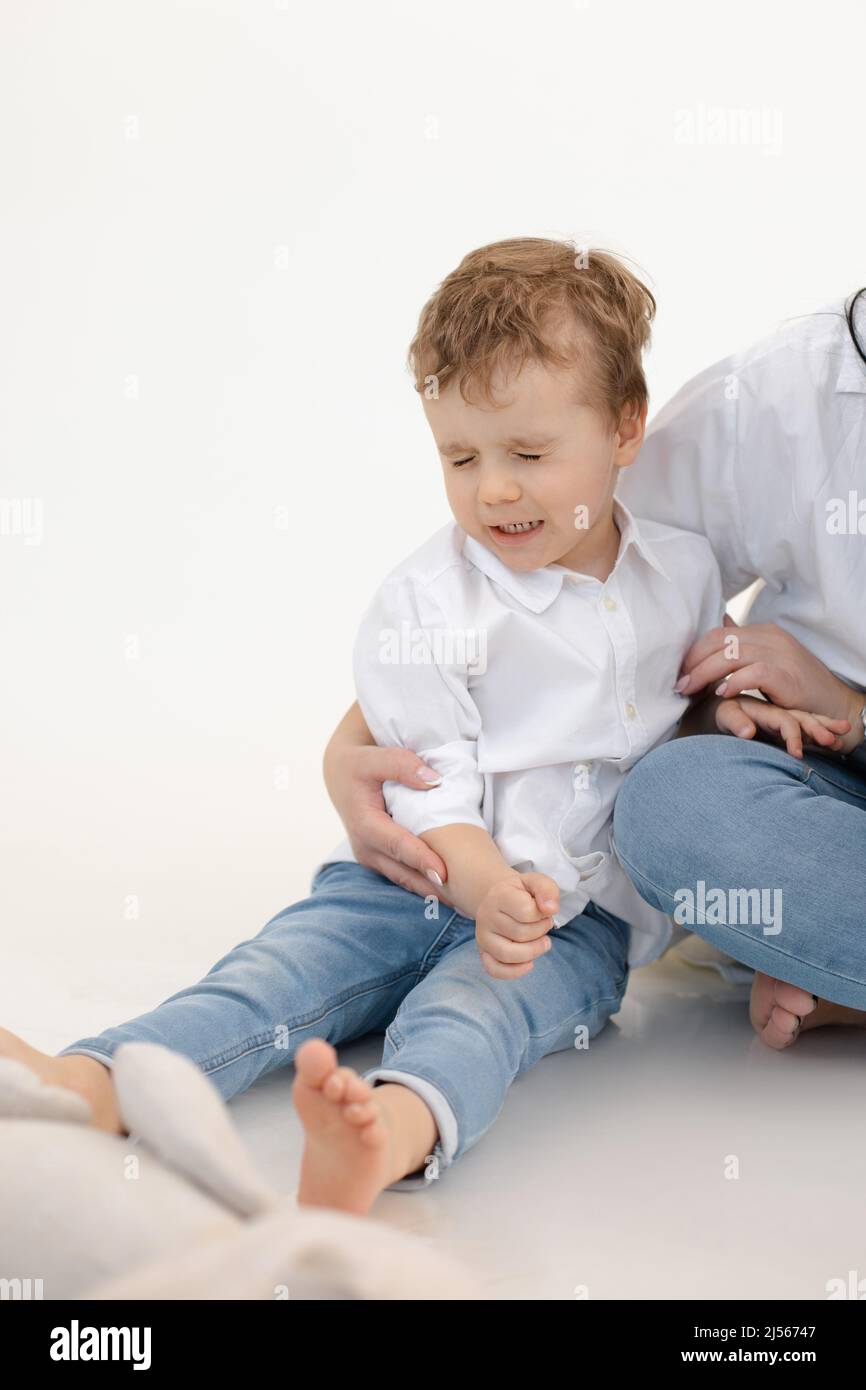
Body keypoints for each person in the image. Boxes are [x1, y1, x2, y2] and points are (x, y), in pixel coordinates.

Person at [0, 241, 851, 1215]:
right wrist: (487, 891)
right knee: (277, 975)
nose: (492, 489)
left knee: (474, 1019)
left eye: (527, 456)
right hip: (403, 878)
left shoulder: (683, 572)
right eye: (459, 456)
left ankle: (386, 1134)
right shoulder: (427, 602)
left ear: (625, 430)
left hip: (573, 927)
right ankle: (94, 1082)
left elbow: (680, 696)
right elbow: (428, 776)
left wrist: (725, 704)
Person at [326, 286, 866, 1054]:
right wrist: (370, 726)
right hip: (834, 779)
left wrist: (851, 702)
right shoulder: (782, 396)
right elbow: (573, 568)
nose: (494, 482)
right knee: (677, 804)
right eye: (460, 457)